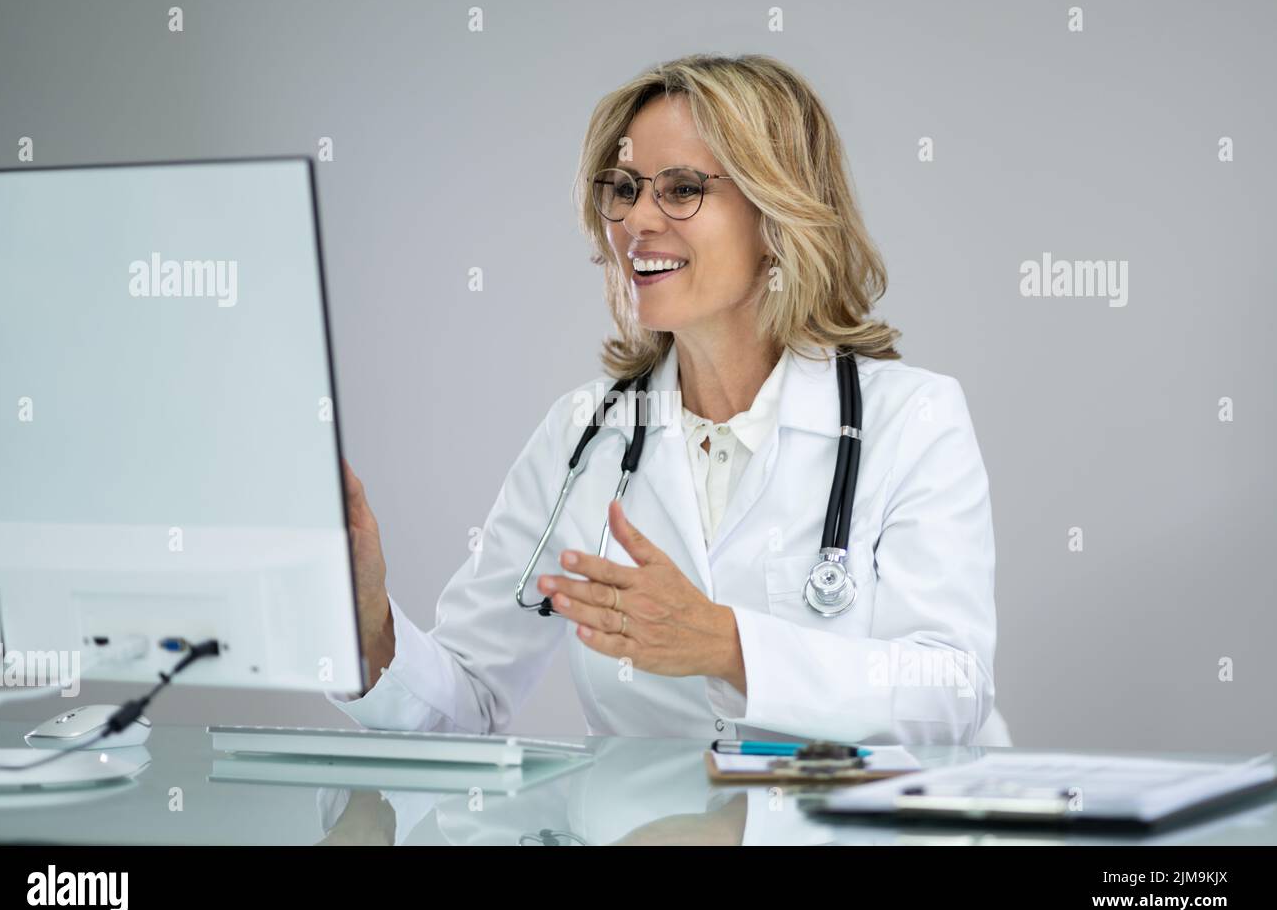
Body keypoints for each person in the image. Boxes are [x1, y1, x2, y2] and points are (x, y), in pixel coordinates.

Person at [332, 53, 1008, 745]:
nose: (637, 221)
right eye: (624, 189)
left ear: (778, 214)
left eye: (682, 189)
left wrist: (724, 645)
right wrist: (366, 624)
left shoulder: (912, 419)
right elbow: (465, 701)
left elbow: (952, 692)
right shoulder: (582, 437)